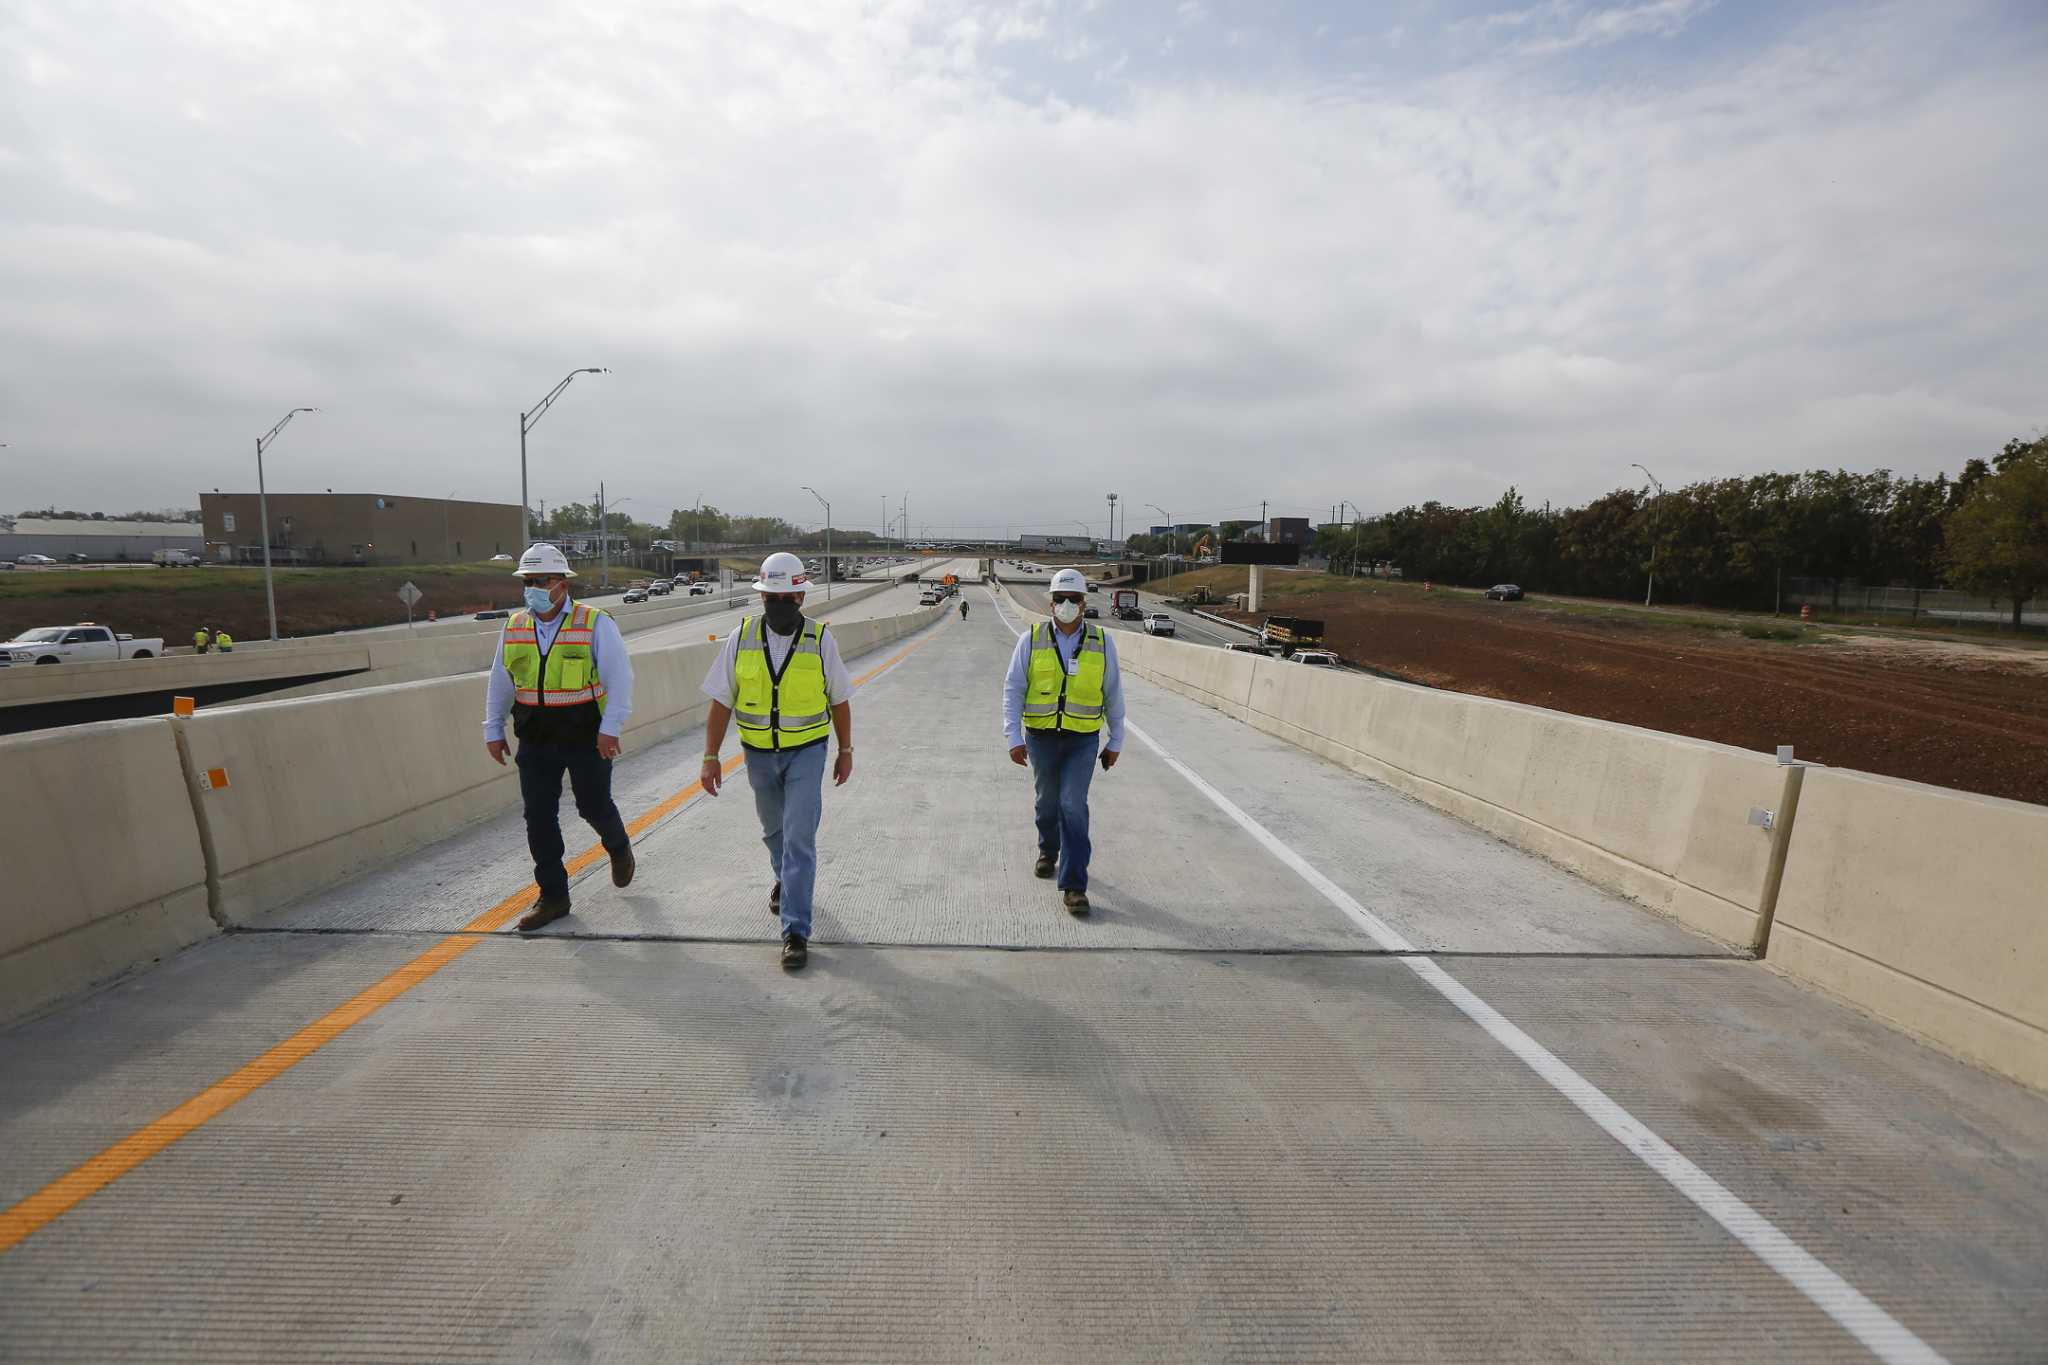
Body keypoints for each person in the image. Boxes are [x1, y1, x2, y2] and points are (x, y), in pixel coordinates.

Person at [698, 551, 854, 970]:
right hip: (759, 756)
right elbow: (721, 701)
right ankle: (786, 883)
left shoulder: (821, 639)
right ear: (762, 597)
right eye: (771, 598)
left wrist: (845, 750)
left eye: (786, 599)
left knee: (799, 838)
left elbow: (839, 700)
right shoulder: (742, 636)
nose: (778, 606)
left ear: (800, 598)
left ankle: (795, 932)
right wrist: (710, 757)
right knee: (774, 834)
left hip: (807, 753)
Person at [482, 542, 637, 932]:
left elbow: (620, 680)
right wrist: (493, 728)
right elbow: (501, 681)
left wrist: (610, 729)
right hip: (534, 734)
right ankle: (553, 896)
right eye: (528, 581)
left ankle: (618, 846)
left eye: (542, 580)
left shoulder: (594, 622)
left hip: (586, 733)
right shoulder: (515, 626)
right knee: (538, 816)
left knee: (592, 805)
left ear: (563, 584)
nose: (533, 587)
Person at [1002, 567, 1125, 915]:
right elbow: (1013, 690)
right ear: (1051, 602)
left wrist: (1116, 740)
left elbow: (1113, 693)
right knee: (1047, 802)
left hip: (1082, 739)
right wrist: (1013, 735)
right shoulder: (1031, 638)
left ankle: (1074, 885)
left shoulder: (1102, 642)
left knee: (1072, 805)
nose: (1067, 605)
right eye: (1060, 599)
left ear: (1084, 602)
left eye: (1073, 599)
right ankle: (1047, 849)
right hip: (1040, 738)